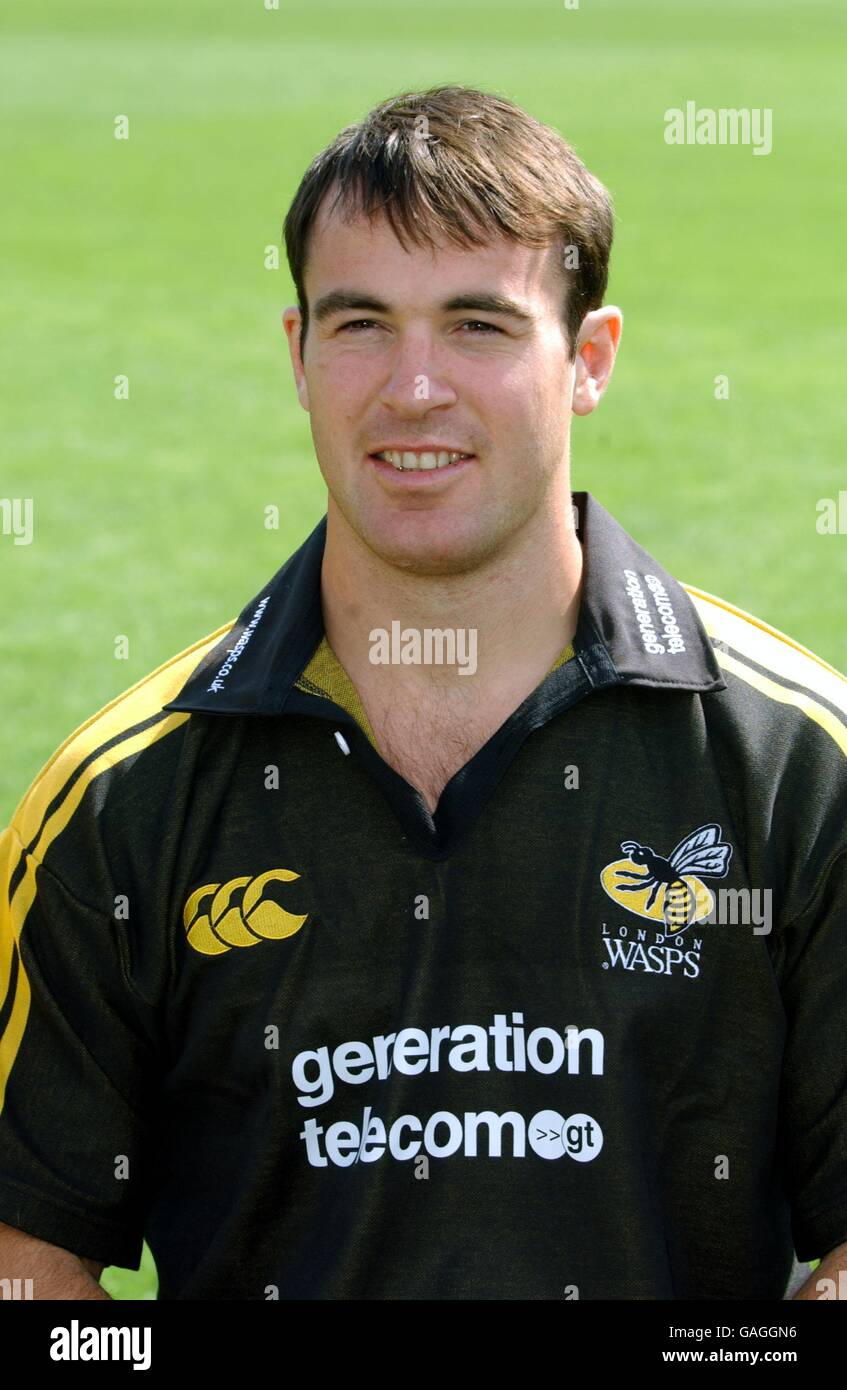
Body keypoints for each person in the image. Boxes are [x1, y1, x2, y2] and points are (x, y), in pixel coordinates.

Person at [0, 84, 845, 1301]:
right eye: (360, 326)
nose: (412, 390)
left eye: (477, 327)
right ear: (297, 355)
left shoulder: (799, 767)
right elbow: (27, 1258)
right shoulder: (118, 799)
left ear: (589, 359)